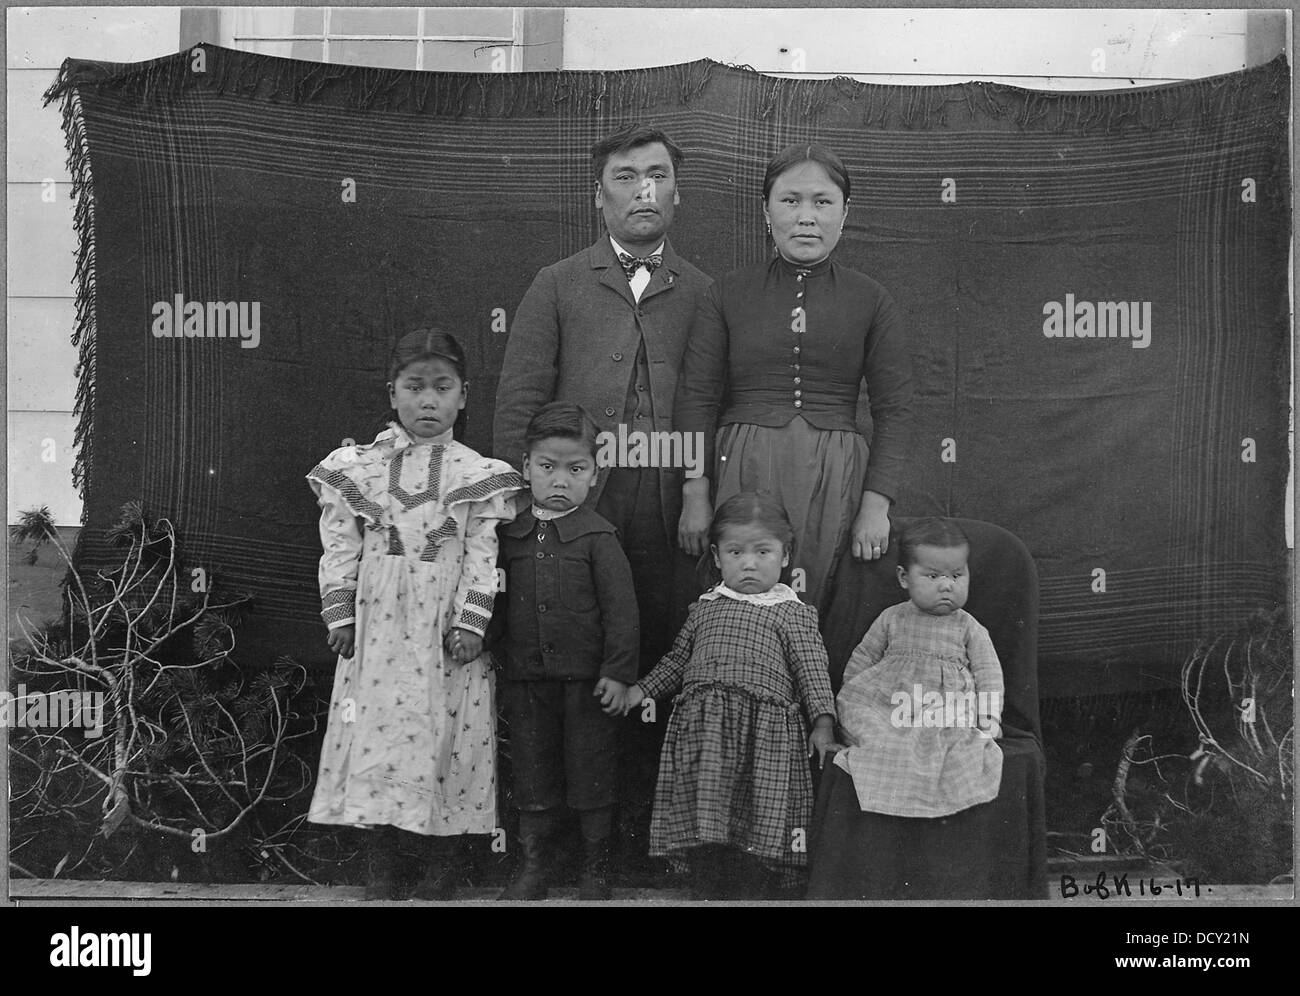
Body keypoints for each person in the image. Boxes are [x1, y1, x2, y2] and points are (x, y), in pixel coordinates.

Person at [493, 123, 713, 863]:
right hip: (571, 511)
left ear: (676, 194)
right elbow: (520, 401)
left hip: (664, 515)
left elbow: (711, 404)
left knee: (651, 654)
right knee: (568, 670)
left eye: (656, 176)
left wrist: (693, 491)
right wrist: (521, 508)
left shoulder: (704, 293)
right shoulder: (556, 284)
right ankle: (555, 846)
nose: (642, 190)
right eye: (625, 176)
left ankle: (646, 837)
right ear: (599, 195)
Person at [306, 329, 525, 901]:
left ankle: (440, 867)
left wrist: (471, 622)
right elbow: (339, 545)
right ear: (393, 392)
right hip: (378, 627)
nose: (428, 401)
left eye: (442, 387)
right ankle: (383, 862)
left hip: (444, 632)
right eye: (414, 387)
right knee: (379, 733)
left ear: (464, 396)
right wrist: (340, 615)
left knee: (448, 734)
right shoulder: (359, 468)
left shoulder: (475, 473)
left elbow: (484, 555)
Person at [675, 142, 915, 616]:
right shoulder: (726, 293)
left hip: (837, 475)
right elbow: (696, 398)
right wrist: (695, 492)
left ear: (845, 213)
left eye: (822, 202)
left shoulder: (871, 299)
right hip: (743, 466)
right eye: (791, 201)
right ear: (766, 210)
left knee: (825, 599)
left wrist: (876, 504)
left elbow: (897, 409)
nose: (807, 216)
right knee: (741, 598)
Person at [621, 492, 840, 900]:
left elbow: (812, 671)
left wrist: (822, 725)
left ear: (785, 555)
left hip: (765, 734)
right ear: (718, 557)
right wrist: (640, 691)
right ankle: (708, 887)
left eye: (763, 551)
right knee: (706, 815)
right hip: (705, 733)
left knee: (757, 819)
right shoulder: (704, 608)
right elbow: (676, 663)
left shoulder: (791, 611)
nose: (750, 563)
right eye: (736, 552)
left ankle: (752, 888)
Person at [493, 402, 639, 901]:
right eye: (547, 467)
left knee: (591, 772)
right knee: (532, 771)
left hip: (588, 685)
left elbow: (622, 613)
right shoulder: (508, 536)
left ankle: (594, 871)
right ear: (526, 467)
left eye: (575, 470)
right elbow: (493, 604)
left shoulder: (600, 537)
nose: (560, 480)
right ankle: (534, 869)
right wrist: (497, 660)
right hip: (527, 681)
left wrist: (618, 673)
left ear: (594, 473)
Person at [833, 517, 1004, 819]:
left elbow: (989, 675)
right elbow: (864, 657)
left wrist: (989, 717)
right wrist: (852, 691)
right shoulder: (892, 618)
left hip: (943, 707)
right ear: (904, 577)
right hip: (891, 703)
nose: (947, 586)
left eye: (957, 575)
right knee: (872, 726)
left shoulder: (968, 627)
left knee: (955, 743)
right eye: (933, 576)